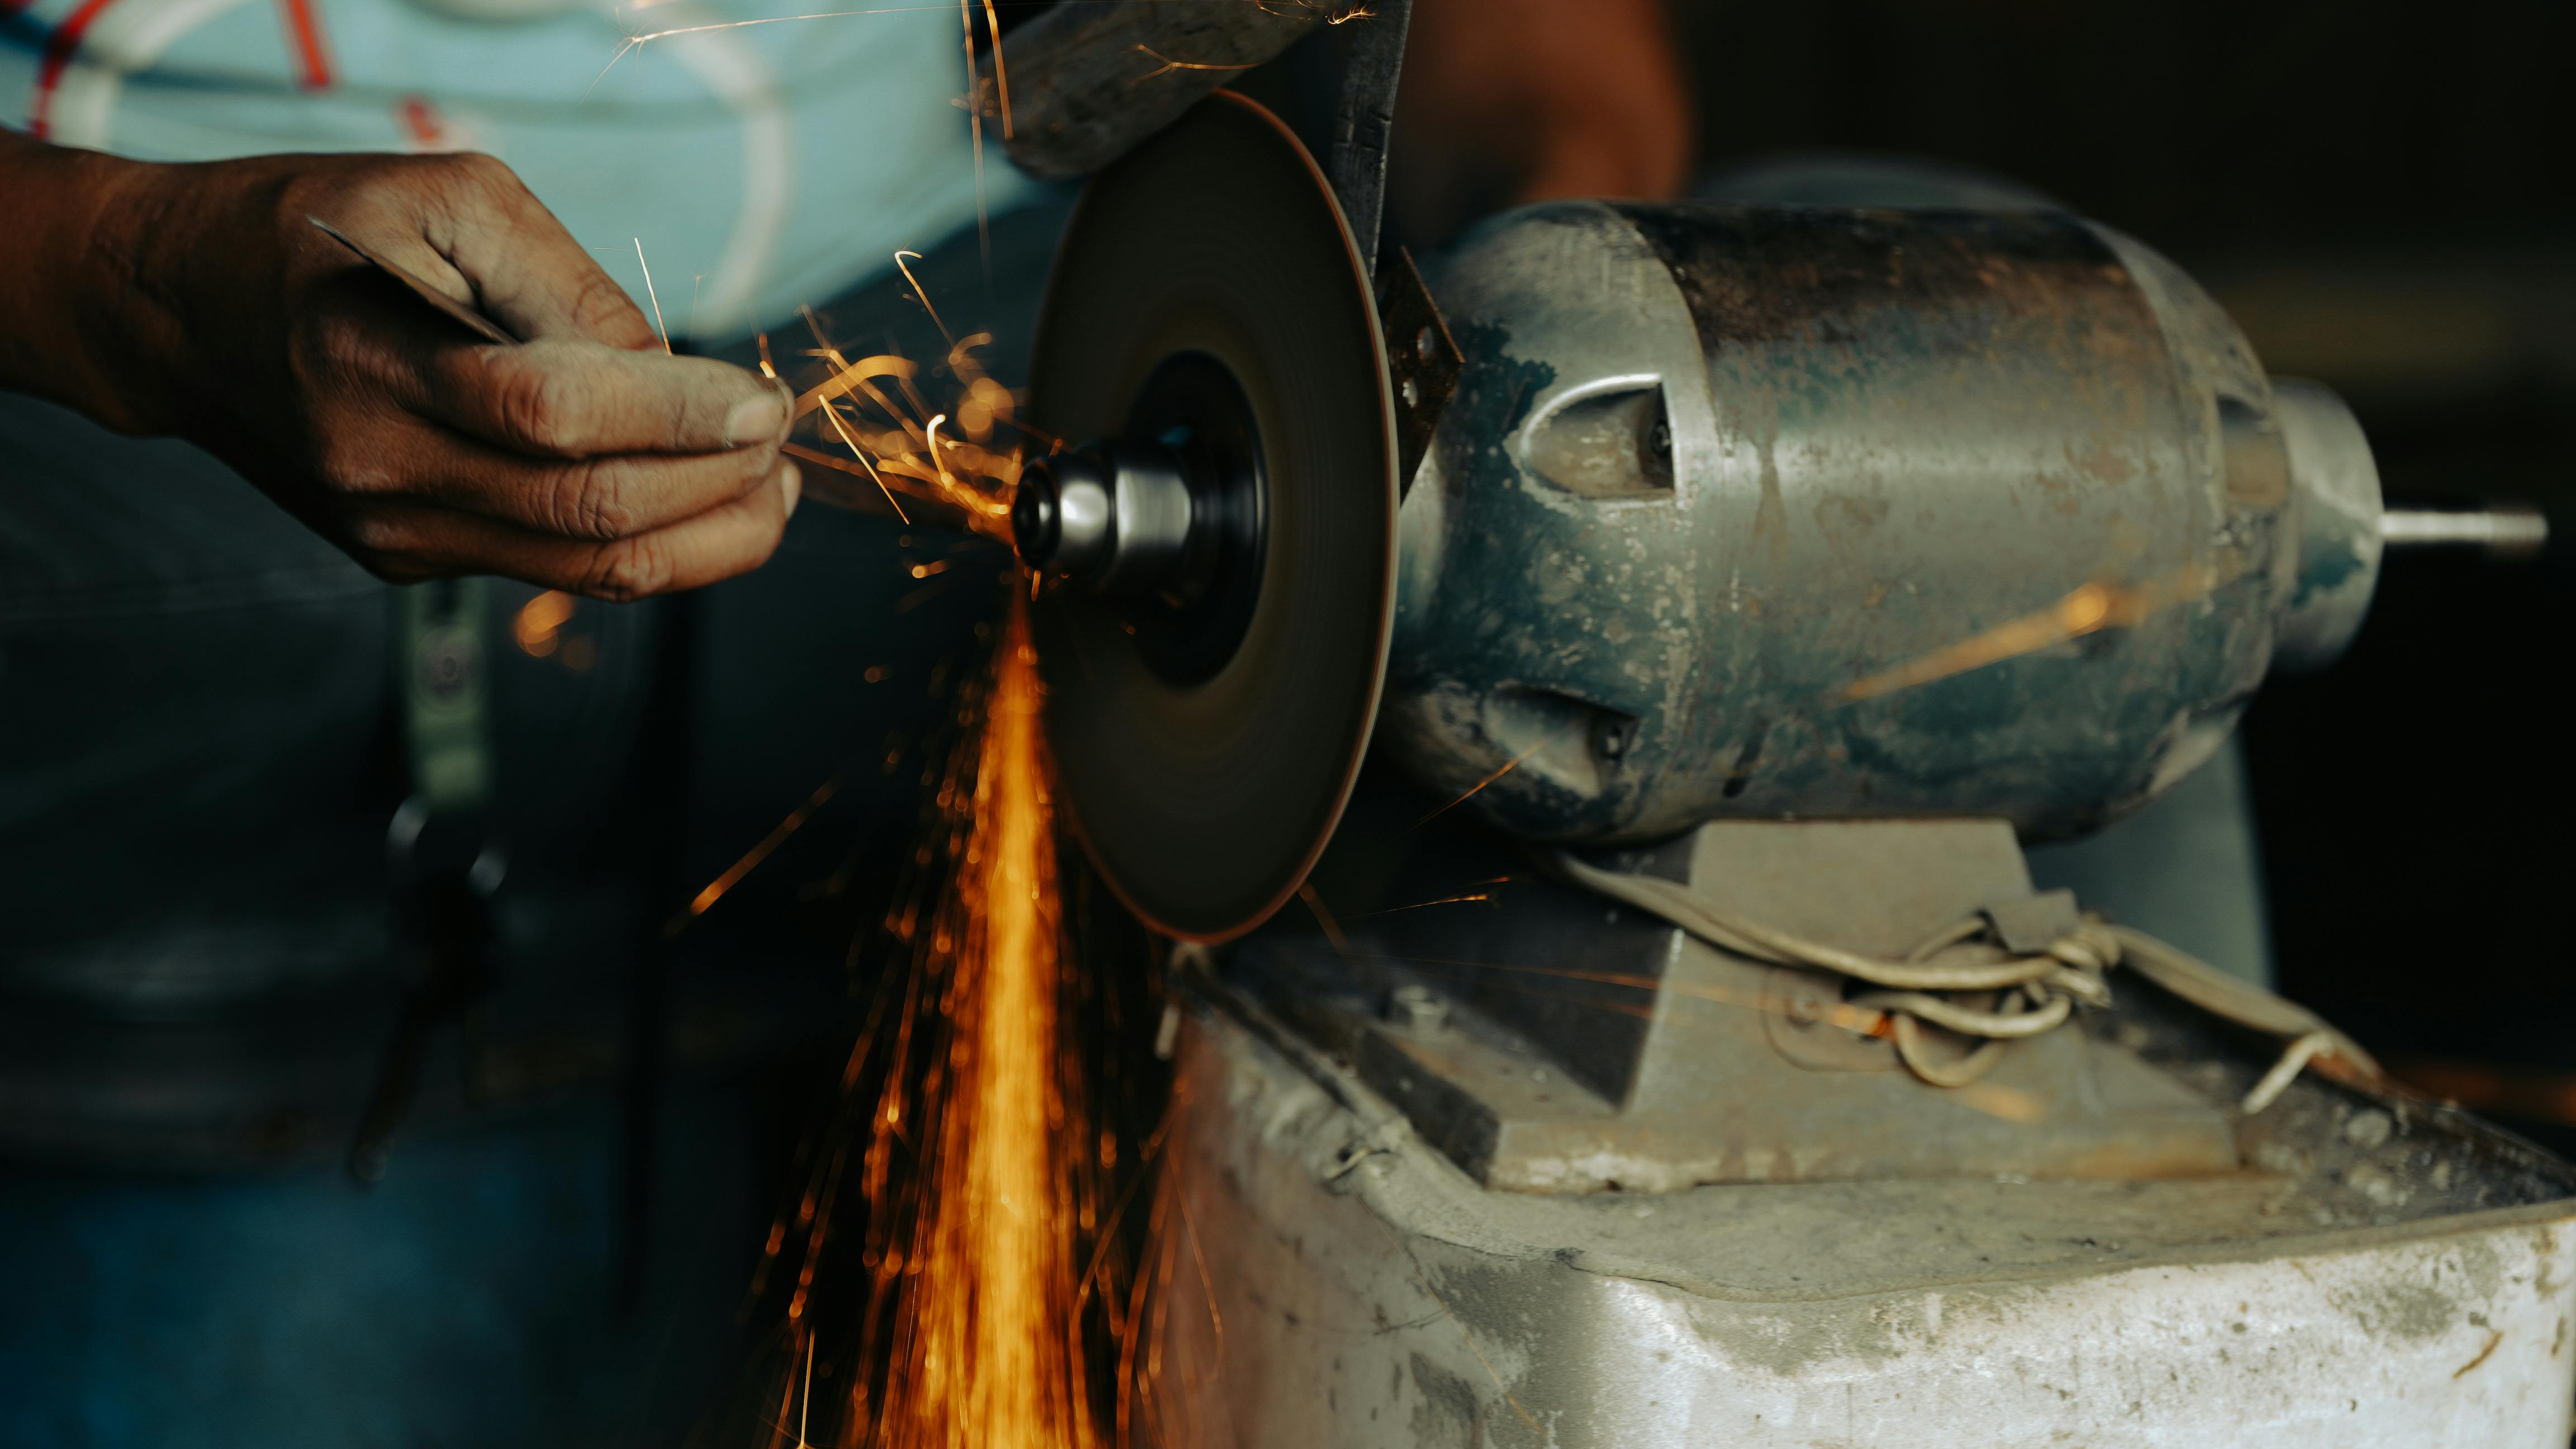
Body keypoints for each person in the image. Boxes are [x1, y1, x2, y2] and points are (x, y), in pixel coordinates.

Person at [0, 0, 1689, 1442]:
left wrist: (1559, 245)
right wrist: (128, 283)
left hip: (955, 365)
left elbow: (1527, 54)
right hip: (211, 692)